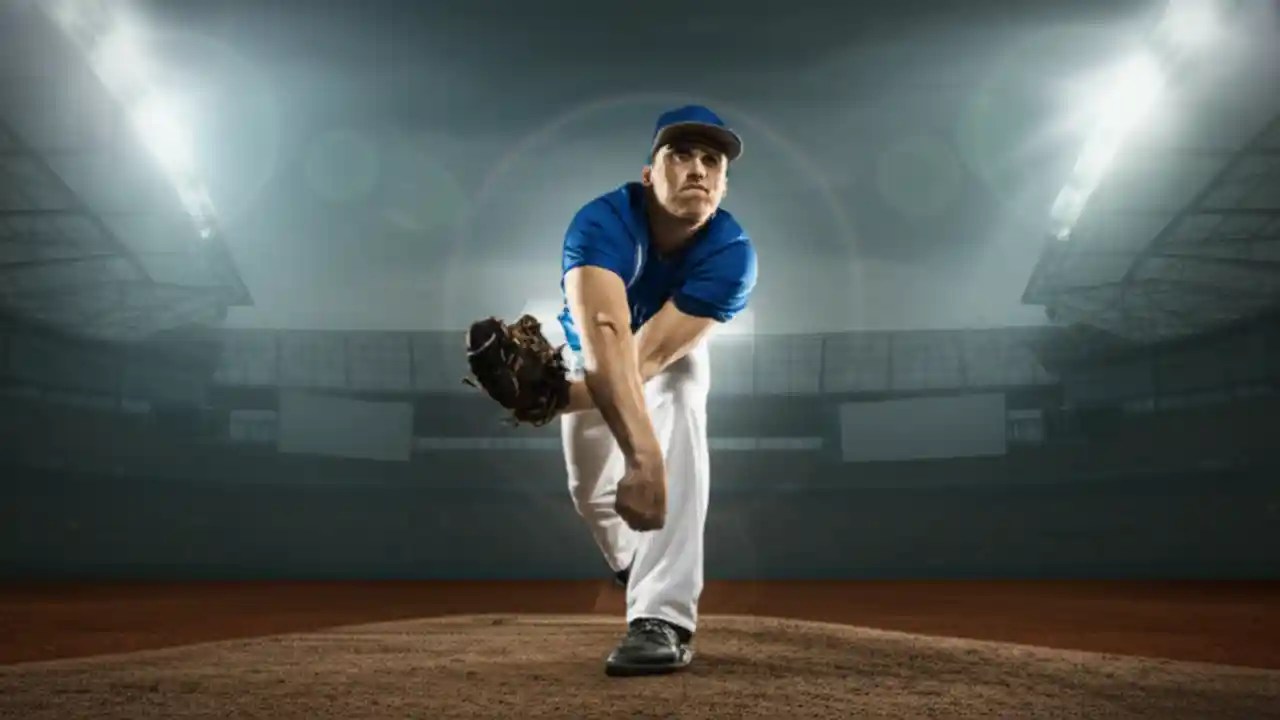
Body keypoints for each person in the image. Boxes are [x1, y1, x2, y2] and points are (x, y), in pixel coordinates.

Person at [553, 104, 758, 676]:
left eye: (711, 160)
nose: (698, 168)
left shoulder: (732, 252)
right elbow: (606, 338)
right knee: (588, 493)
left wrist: (641, 457)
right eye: (681, 155)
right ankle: (635, 566)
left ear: (723, 182)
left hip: (660, 357)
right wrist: (566, 394)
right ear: (650, 173)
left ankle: (662, 616)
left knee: (684, 393)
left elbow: (646, 358)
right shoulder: (601, 222)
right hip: (591, 359)